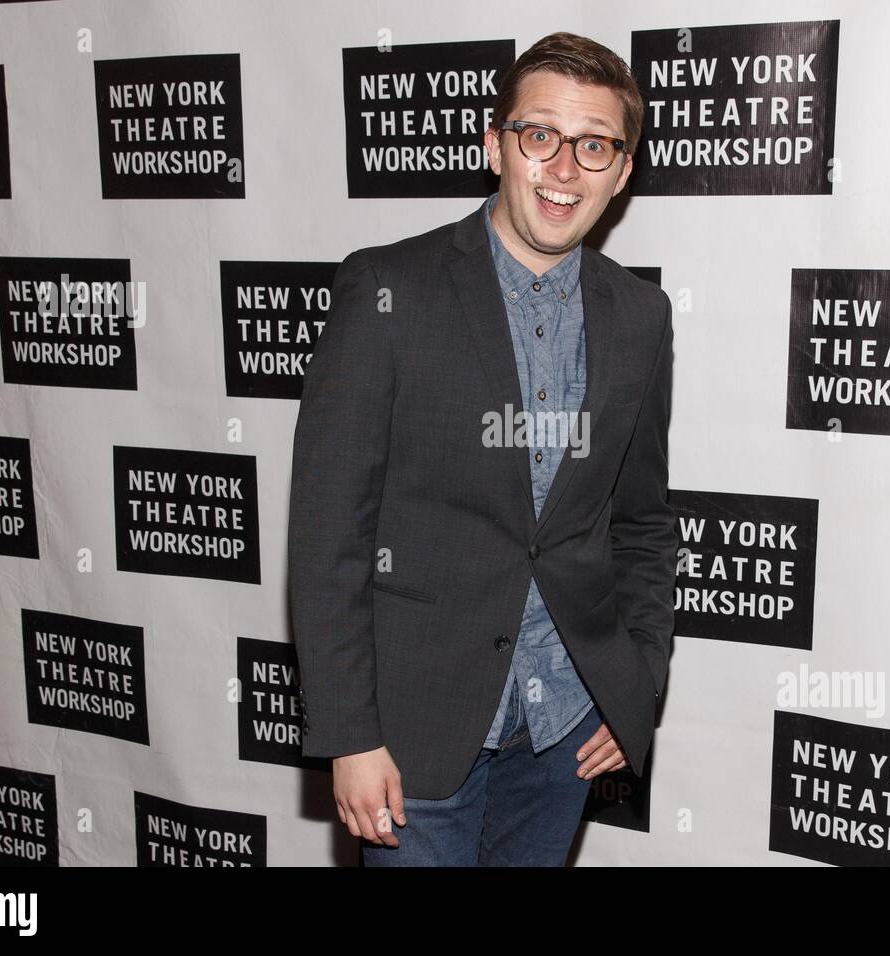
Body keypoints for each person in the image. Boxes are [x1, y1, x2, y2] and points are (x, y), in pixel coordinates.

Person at [287, 31, 676, 866]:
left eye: (594, 145)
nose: (564, 168)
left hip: (564, 725)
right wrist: (349, 733)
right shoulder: (386, 289)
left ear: (623, 169)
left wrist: (634, 682)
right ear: (493, 144)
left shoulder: (642, 317)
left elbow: (642, 522)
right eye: (541, 136)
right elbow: (329, 537)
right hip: (412, 731)